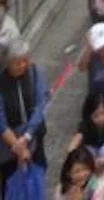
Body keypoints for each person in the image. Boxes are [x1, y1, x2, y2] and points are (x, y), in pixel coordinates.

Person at [0, 40, 47, 198]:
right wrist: (19, 147)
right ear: (7, 63)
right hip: (8, 144)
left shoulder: (34, 73)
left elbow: (40, 105)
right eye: (17, 63)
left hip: (32, 135)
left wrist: (27, 136)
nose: (22, 65)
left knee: (36, 179)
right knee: (11, 185)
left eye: (25, 60)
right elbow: (1, 121)